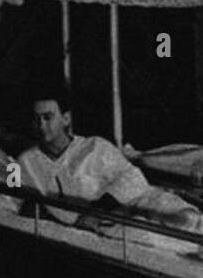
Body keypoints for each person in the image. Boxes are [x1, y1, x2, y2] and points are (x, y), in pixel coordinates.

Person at [17, 84, 158, 224]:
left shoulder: (95, 147)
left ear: (65, 119)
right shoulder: (24, 162)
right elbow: (7, 197)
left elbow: (134, 178)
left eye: (48, 117)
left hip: (120, 220)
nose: (41, 125)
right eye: (36, 119)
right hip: (71, 234)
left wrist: (97, 212)